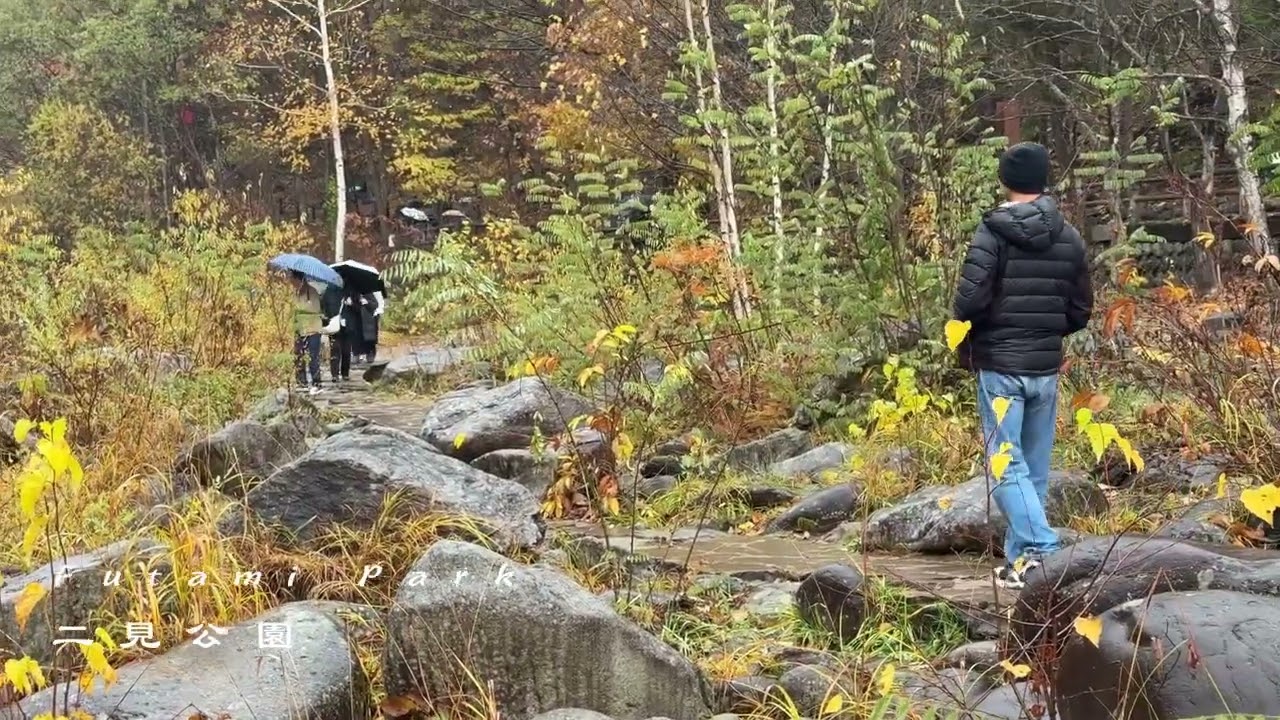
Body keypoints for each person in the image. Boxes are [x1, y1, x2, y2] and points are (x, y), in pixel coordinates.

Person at [951, 142, 1093, 590]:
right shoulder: (1069, 236)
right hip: (1045, 368)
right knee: (1032, 469)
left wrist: (977, 331)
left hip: (1001, 366)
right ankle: (1021, 566)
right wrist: (1045, 332)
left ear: (1004, 180)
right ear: (1044, 180)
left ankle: (1044, 553)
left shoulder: (992, 232)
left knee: (1004, 466)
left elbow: (969, 300)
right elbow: (1080, 310)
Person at [290, 271, 326, 394]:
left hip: (313, 329)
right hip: (299, 329)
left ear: (299, 279)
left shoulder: (312, 292)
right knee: (298, 356)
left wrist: (300, 308)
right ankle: (301, 382)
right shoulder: (294, 293)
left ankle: (317, 383)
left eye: (292, 279)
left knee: (312, 357)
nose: (291, 282)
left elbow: (315, 309)